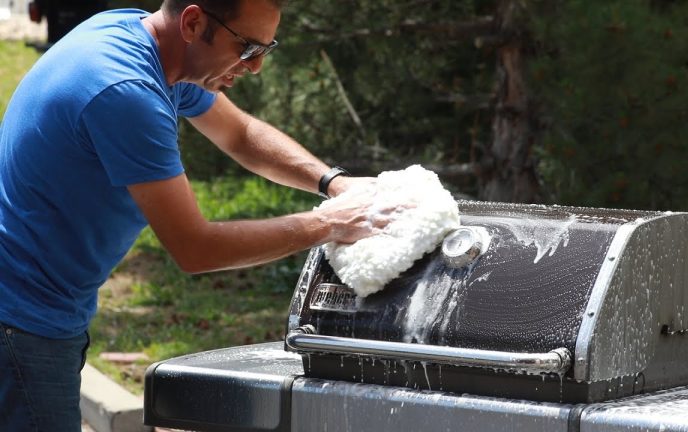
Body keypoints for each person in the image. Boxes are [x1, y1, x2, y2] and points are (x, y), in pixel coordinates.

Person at [0, 1, 395, 430]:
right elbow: (196, 248)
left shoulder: (142, 40)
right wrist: (331, 223)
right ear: (192, 22)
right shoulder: (126, 91)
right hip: (22, 319)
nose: (257, 66)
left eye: (267, 48)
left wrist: (334, 183)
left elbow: (240, 134)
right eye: (246, 47)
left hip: (35, 306)